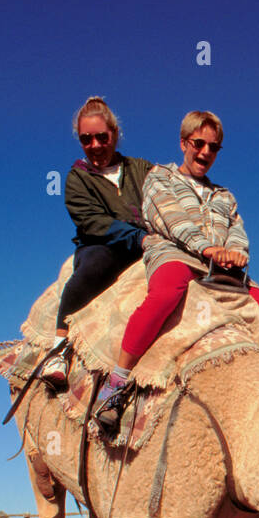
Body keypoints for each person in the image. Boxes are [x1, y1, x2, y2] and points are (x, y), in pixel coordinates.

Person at [92, 109, 259, 435]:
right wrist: (205, 247)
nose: (205, 153)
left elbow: (236, 231)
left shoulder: (224, 196)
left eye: (213, 147)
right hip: (177, 253)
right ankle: (116, 384)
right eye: (198, 144)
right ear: (184, 143)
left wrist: (237, 254)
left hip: (221, 267)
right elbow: (170, 219)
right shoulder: (160, 178)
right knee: (166, 293)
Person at [41, 97, 152, 388]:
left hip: (149, 241)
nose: (95, 145)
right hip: (104, 245)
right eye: (86, 139)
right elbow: (93, 222)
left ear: (115, 135)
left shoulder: (142, 169)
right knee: (93, 268)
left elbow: (165, 198)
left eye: (102, 137)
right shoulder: (77, 177)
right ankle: (59, 349)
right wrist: (138, 237)